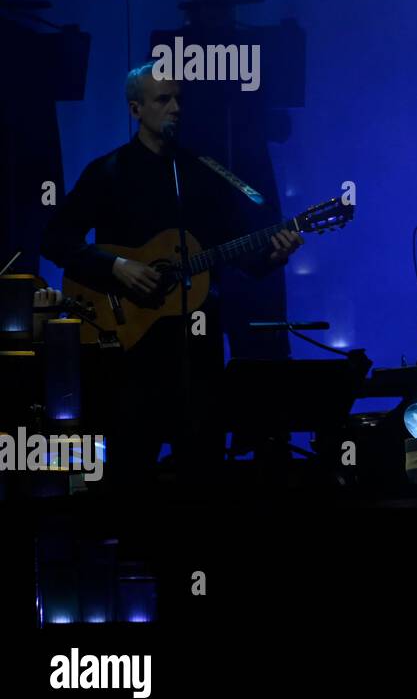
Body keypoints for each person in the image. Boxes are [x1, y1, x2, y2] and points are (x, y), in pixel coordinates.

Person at [41, 62, 303, 486]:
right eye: (163, 99)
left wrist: (275, 255)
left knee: (202, 460)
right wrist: (117, 265)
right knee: (131, 458)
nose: (176, 108)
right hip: (130, 345)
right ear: (136, 109)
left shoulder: (201, 171)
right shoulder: (108, 172)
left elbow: (237, 252)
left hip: (195, 345)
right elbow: (55, 239)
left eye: (179, 98)